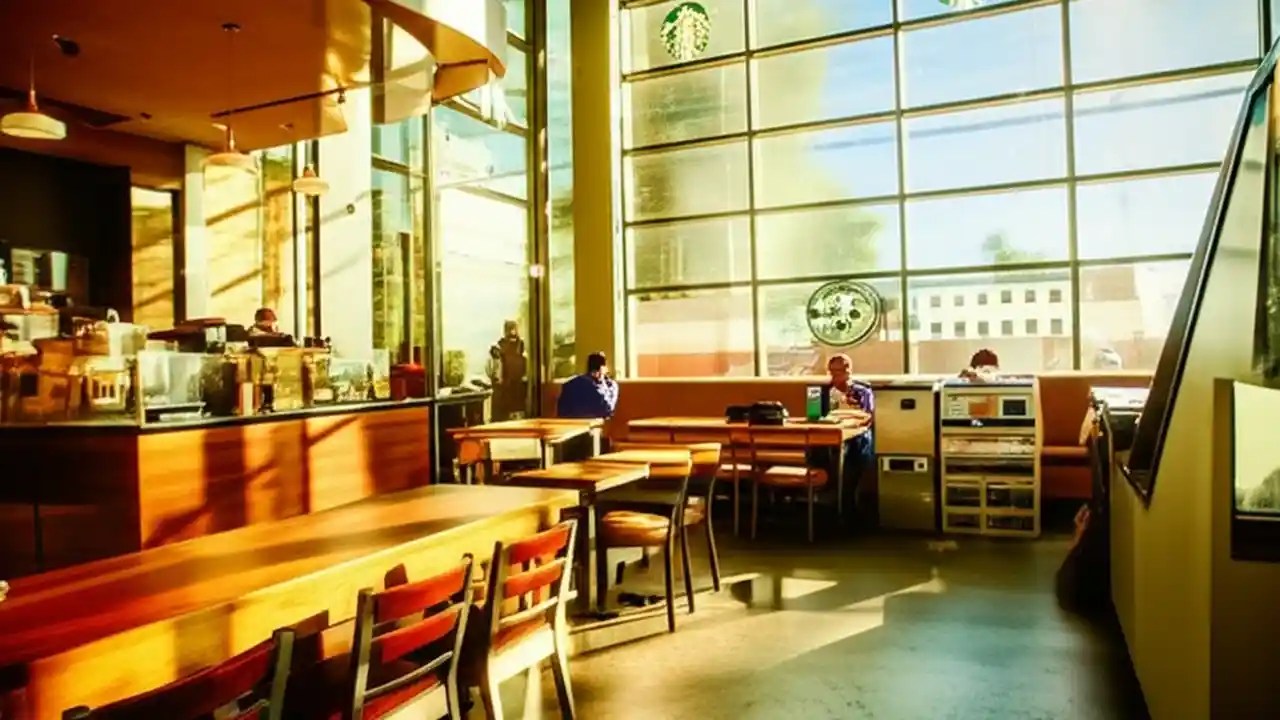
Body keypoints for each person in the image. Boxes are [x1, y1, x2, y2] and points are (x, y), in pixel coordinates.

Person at [817, 354, 875, 521]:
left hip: (856, 439)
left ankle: (846, 509)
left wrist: (849, 407)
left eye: (839, 371)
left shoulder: (862, 391)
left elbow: (866, 417)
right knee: (818, 452)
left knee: (850, 454)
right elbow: (816, 416)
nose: (835, 376)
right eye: (832, 372)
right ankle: (828, 506)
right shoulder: (823, 391)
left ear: (848, 371)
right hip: (829, 438)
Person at [557, 351, 618, 419]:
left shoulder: (571, 384)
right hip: (593, 422)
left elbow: (562, 412)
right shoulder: (609, 385)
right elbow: (607, 410)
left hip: (573, 422)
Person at [487, 320, 528, 421]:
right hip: (507, 386)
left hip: (516, 385)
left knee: (516, 410)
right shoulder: (500, 347)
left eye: (513, 328)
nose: (512, 332)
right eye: (510, 329)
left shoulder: (520, 345)